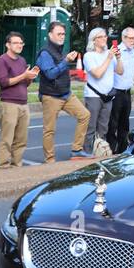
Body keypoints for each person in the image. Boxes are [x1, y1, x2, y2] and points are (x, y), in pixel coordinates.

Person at [35, 21, 90, 162]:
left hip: (66, 93)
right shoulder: (45, 53)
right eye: (59, 34)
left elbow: (61, 71)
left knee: (84, 115)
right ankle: (50, 160)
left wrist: (70, 70)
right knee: (49, 130)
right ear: (50, 35)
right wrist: (66, 61)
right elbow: (50, 74)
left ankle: (76, 150)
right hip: (51, 96)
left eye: (63, 34)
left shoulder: (60, 50)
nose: (62, 36)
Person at [0, 32, 39, 168]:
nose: (19, 45)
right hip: (9, 103)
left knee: (21, 139)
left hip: (23, 103)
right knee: (7, 138)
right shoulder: (2, 60)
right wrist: (23, 75)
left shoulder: (22, 60)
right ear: (8, 45)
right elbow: (4, 82)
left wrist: (29, 77)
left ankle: (16, 165)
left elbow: (24, 84)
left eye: (21, 43)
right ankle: (3, 166)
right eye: (16, 43)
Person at [81, 27, 121, 156]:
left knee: (103, 128)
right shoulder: (89, 56)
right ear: (94, 40)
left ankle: (100, 153)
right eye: (101, 37)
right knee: (91, 127)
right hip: (93, 96)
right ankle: (87, 152)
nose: (105, 39)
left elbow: (120, 71)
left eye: (105, 36)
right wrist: (109, 58)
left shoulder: (109, 54)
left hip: (108, 96)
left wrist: (118, 58)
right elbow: (97, 74)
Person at [107, 28, 134, 153]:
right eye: (131, 38)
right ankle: (111, 148)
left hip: (127, 91)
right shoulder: (116, 51)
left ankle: (122, 149)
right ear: (124, 38)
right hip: (116, 91)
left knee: (124, 123)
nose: (133, 41)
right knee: (113, 123)